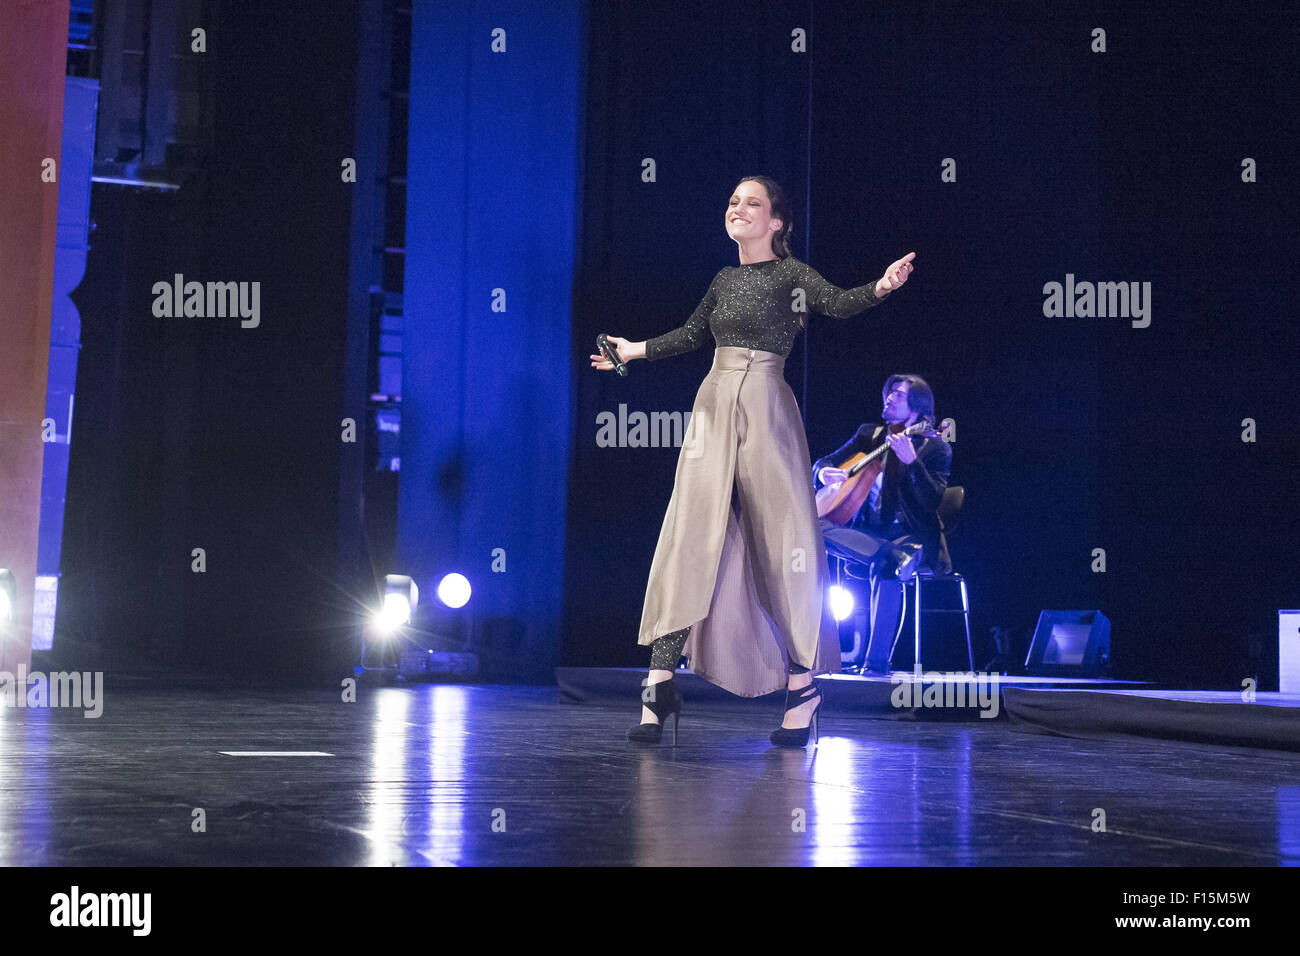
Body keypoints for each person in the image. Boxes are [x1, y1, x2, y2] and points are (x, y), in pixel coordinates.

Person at [590, 175, 915, 746]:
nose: (738, 209)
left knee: (781, 541)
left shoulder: (792, 276)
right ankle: (660, 682)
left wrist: (882, 287)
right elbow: (694, 334)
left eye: (752, 203)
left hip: (767, 406)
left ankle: (802, 689)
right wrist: (633, 350)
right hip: (713, 403)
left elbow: (837, 302)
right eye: (733, 201)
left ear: (777, 222)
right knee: (690, 532)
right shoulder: (722, 279)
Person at [812, 375, 951, 673]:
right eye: (890, 393)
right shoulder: (868, 435)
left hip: (909, 538)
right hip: (867, 536)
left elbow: (933, 501)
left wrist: (912, 463)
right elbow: (824, 462)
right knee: (808, 526)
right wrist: (824, 474)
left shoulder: (935, 448)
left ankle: (875, 666)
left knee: (890, 563)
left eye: (899, 395)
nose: (889, 398)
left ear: (917, 406)